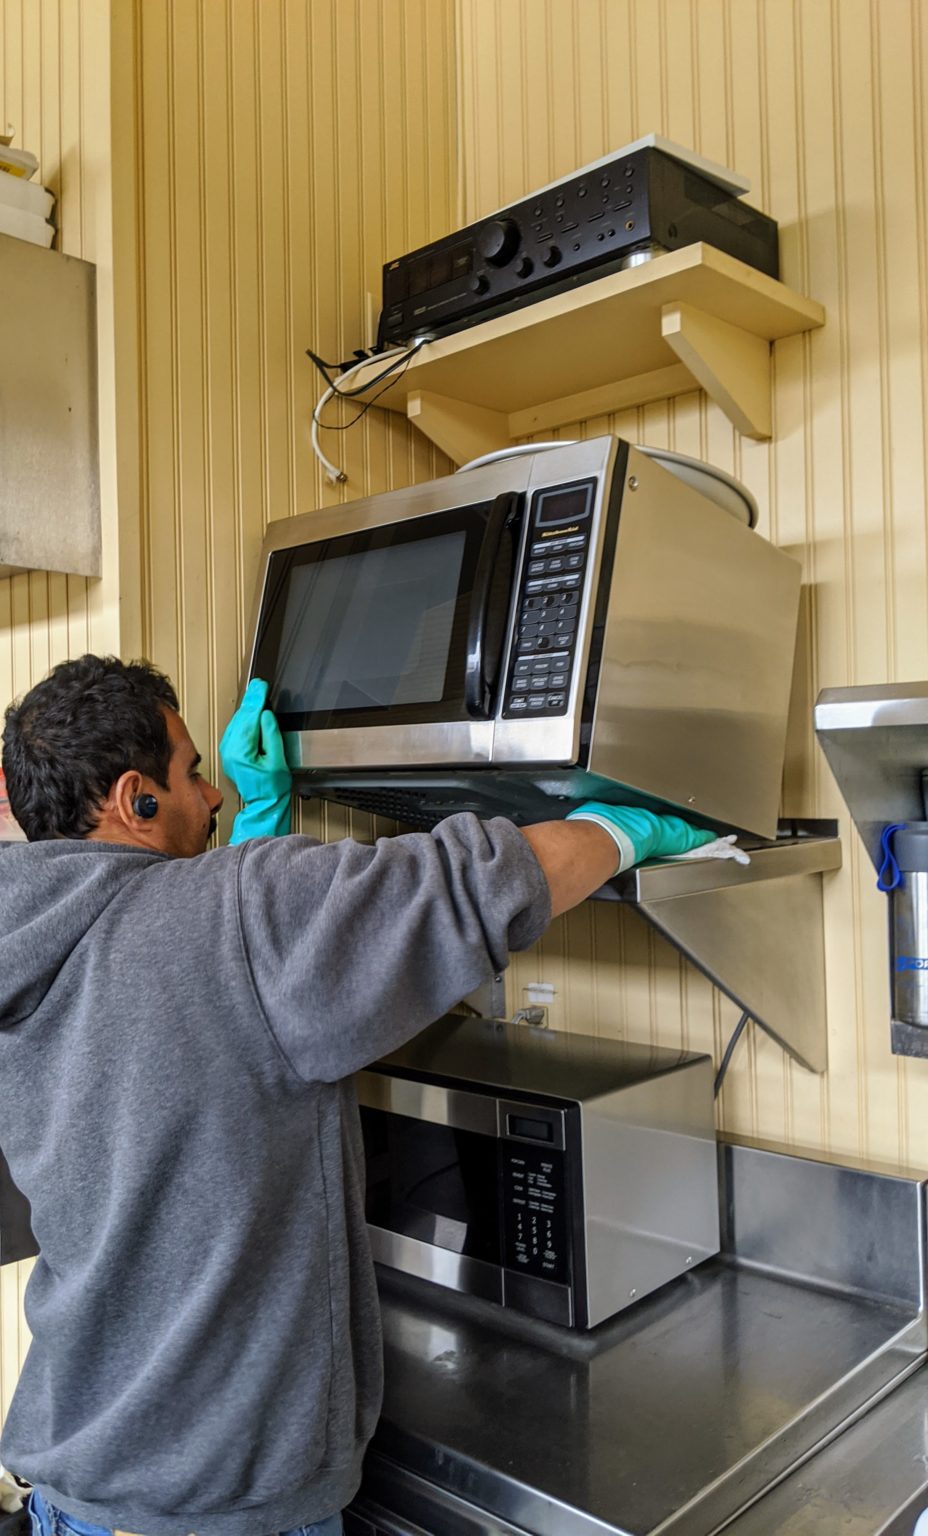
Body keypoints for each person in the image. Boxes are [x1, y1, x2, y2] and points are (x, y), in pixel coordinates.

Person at [0, 655, 718, 1536]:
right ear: (133, 798)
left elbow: (186, 981)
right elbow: (462, 886)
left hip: (75, 1480)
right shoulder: (226, 917)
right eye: (192, 775)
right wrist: (618, 829)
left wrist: (266, 828)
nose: (215, 794)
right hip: (221, 1502)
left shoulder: (28, 934)